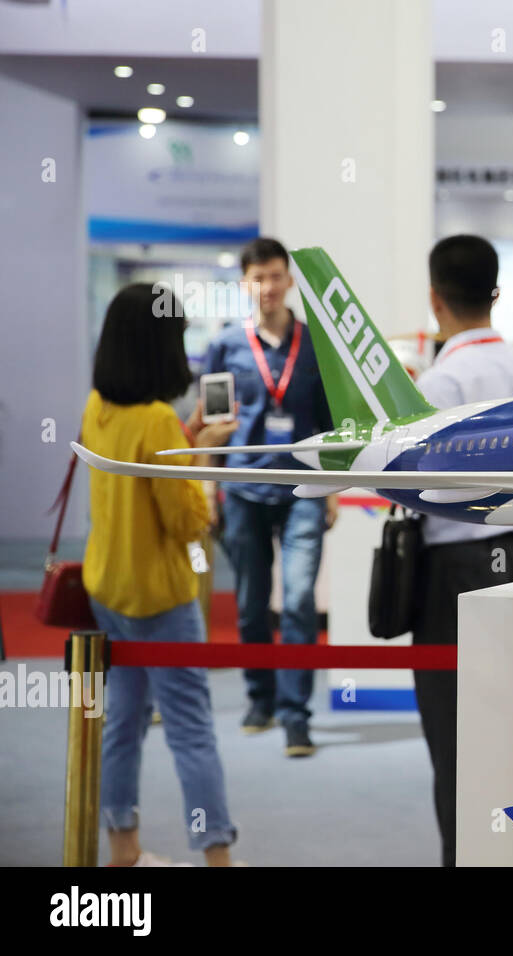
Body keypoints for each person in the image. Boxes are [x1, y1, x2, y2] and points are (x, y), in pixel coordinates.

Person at [412, 234, 513, 866]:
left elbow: (416, 490)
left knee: (454, 738)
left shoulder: (437, 384)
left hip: (454, 572)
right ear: (496, 293)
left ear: (435, 299)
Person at [82, 283, 239, 865]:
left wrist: (186, 442)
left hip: (109, 590)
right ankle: (217, 854)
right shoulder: (155, 422)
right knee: (192, 730)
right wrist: (202, 455)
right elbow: (189, 522)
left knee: (121, 727)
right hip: (163, 601)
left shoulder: (98, 405)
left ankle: (123, 847)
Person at [202, 237, 337, 758]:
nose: (269, 287)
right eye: (259, 278)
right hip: (243, 489)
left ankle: (296, 715)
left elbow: (330, 424)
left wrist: (331, 489)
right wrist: (211, 484)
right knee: (253, 602)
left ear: (290, 279)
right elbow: (215, 427)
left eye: (277, 276)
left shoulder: (314, 343)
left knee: (300, 600)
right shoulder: (226, 346)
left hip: (303, 486)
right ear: (245, 283)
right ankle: (260, 699)